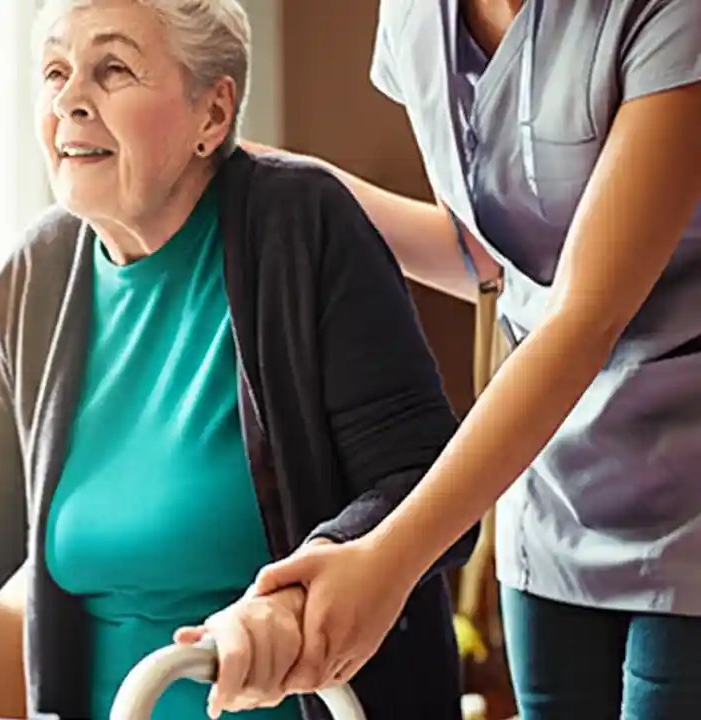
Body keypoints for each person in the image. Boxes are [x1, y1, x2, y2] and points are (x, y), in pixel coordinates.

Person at [0, 1, 474, 718]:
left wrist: (295, 600)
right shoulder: (36, 273)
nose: (70, 100)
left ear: (213, 113)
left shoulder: (302, 227)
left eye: (112, 69)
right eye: (54, 71)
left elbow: (416, 478)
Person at [234, 1, 701, 718]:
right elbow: (491, 256)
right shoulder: (418, 17)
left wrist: (391, 559)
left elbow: (584, 315)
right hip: (551, 491)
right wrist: (288, 186)